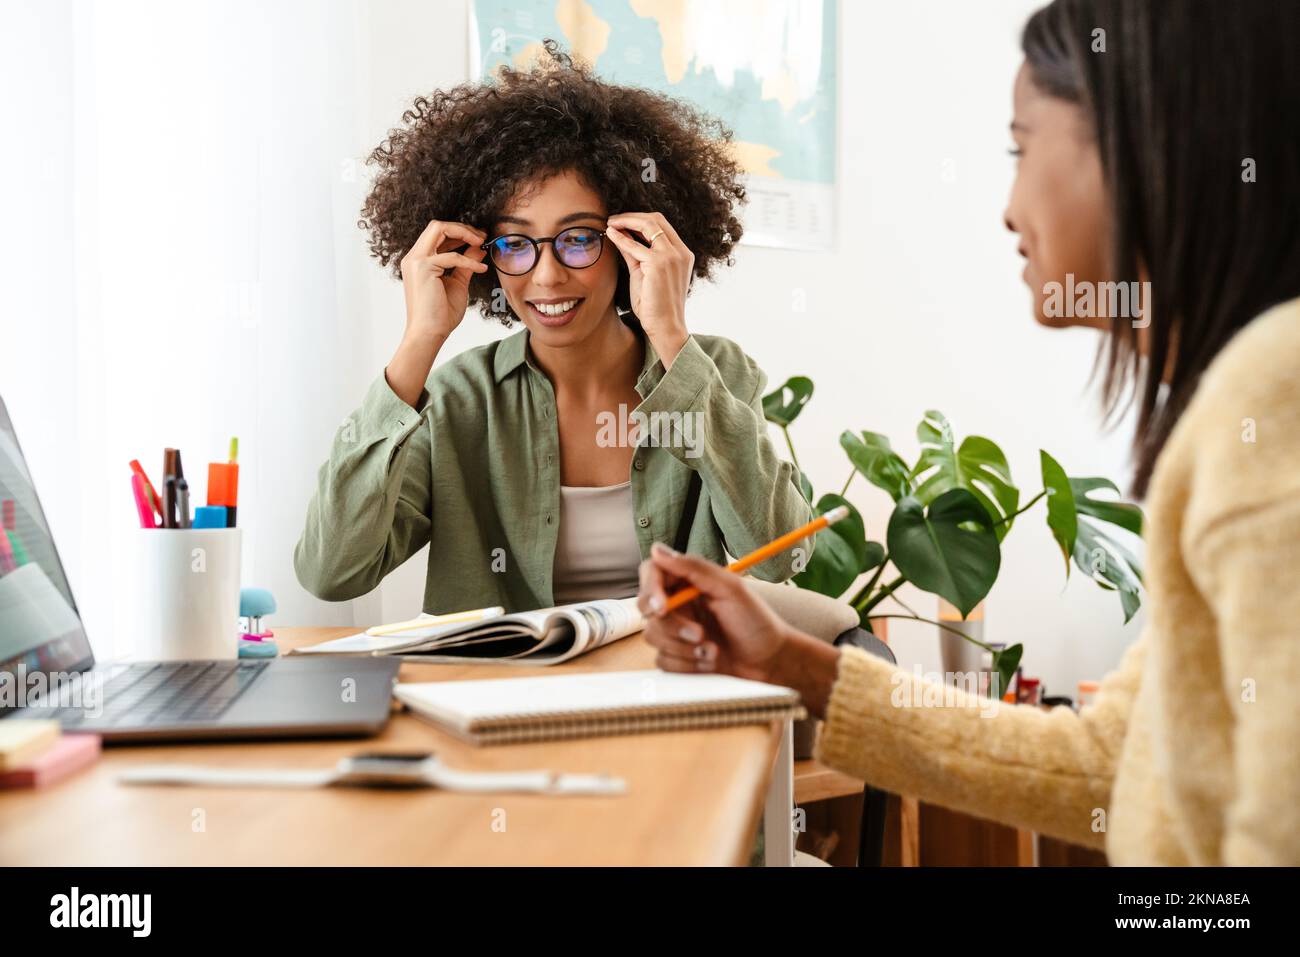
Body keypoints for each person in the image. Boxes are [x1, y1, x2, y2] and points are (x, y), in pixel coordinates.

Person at [638, 0, 1300, 865]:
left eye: (1022, 148)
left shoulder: (1270, 395)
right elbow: (1114, 761)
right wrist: (797, 667)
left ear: (1149, 150)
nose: (1007, 207)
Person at [294, 42, 812, 613]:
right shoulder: (456, 401)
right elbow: (332, 572)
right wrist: (420, 340)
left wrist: (669, 334)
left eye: (578, 238)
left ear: (629, 244)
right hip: (505, 700)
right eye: (514, 243)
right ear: (484, 256)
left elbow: (777, 556)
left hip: (676, 698)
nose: (546, 276)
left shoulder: (715, 372)